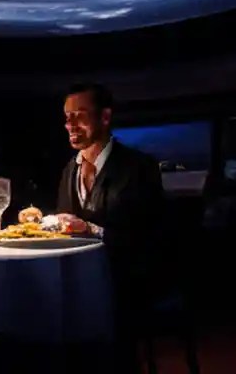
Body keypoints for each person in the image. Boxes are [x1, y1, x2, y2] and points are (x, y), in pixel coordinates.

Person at [55, 83, 167, 314]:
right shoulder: (69, 169)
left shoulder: (139, 166)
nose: (70, 125)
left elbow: (146, 236)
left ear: (105, 117)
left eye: (79, 116)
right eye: (68, 117)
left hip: (126, 282)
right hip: (77, 280)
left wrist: (90, 229)